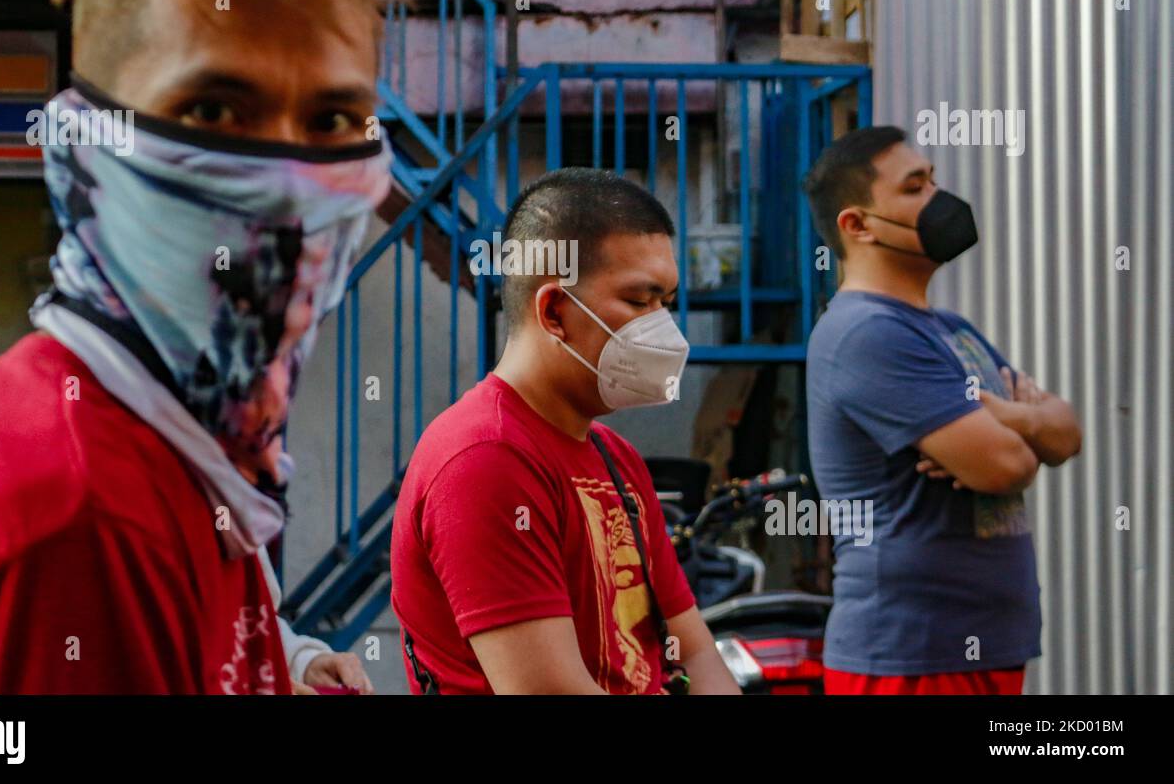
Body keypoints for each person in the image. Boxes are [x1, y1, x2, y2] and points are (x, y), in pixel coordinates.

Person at [0, 0, 419, 693]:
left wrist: (288, 660)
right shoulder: (75, 512)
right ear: (85, 149)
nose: (285, 177)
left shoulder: (187, 438)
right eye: (213, 110)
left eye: (331, 121)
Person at [390, 168, 740, 695]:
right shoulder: (485, 459)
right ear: (555, 311)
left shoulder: (615, 458)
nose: (662, 328)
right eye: (639, 301)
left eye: (665, 302)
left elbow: (690, 648)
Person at [802, 125, 1082, 695]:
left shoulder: (949, 329)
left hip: (980, 648)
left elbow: (1066, 433)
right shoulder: (867, 333)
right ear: (856, 225)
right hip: (910, 658)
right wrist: (1013, 431)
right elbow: (1005, 466)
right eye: (914, 188)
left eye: (934, 180)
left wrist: (1010, 420)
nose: (939, 199)